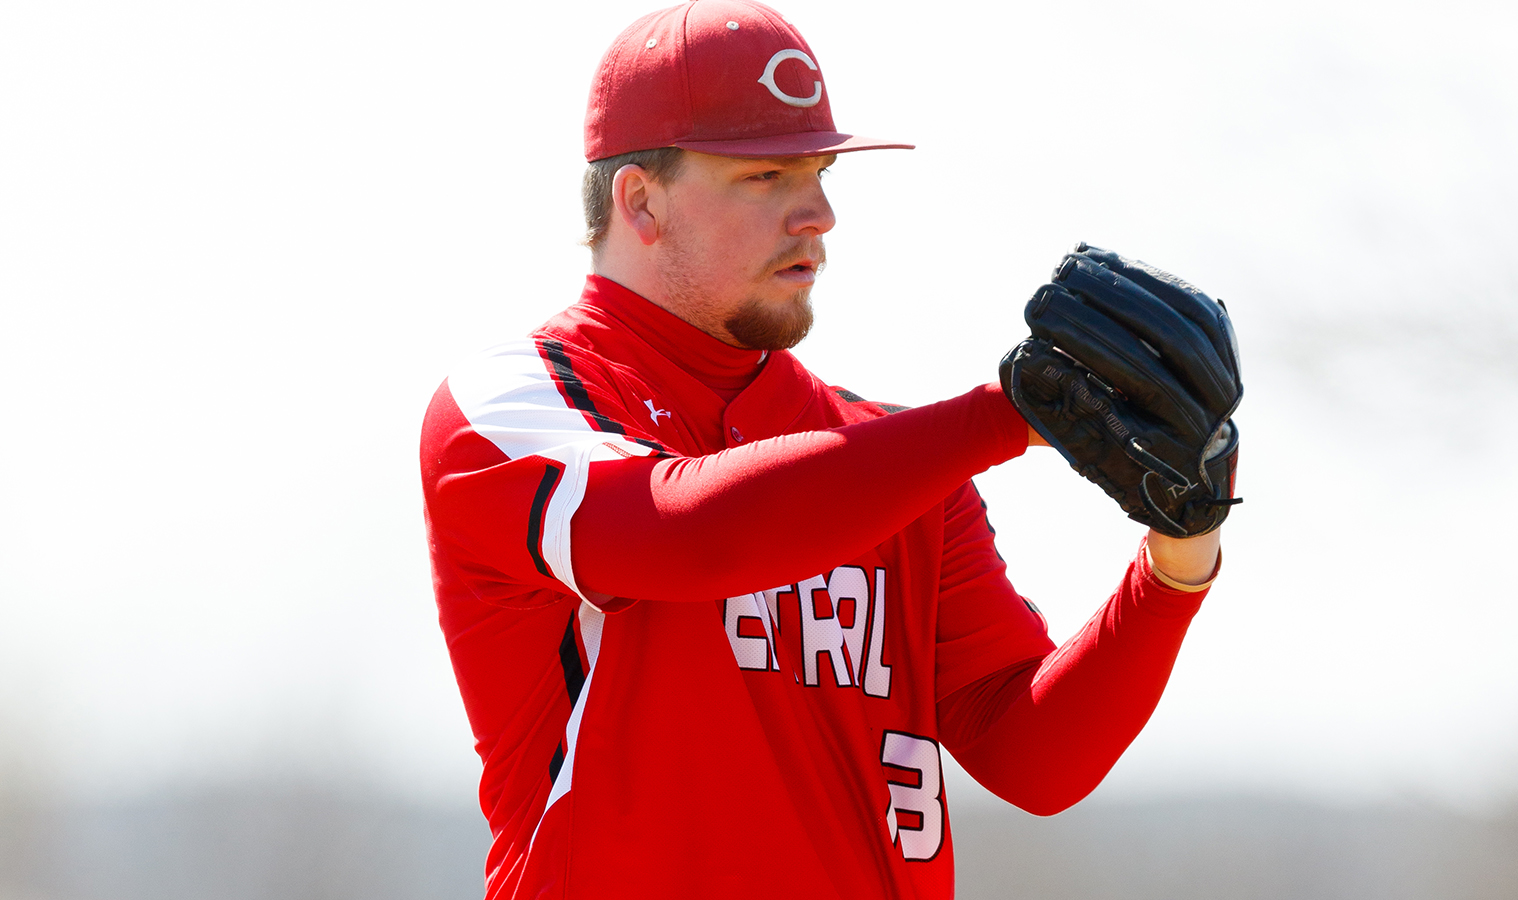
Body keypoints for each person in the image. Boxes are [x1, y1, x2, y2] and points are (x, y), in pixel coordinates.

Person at [419, 2, 1225, 897]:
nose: (820, 214)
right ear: (640, 201)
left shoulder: (887, 458)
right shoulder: (512, 404)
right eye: (766, 175)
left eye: (820, 171)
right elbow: (691, 532)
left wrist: (1177, 562)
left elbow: (1032, 757)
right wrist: (1004, 419)